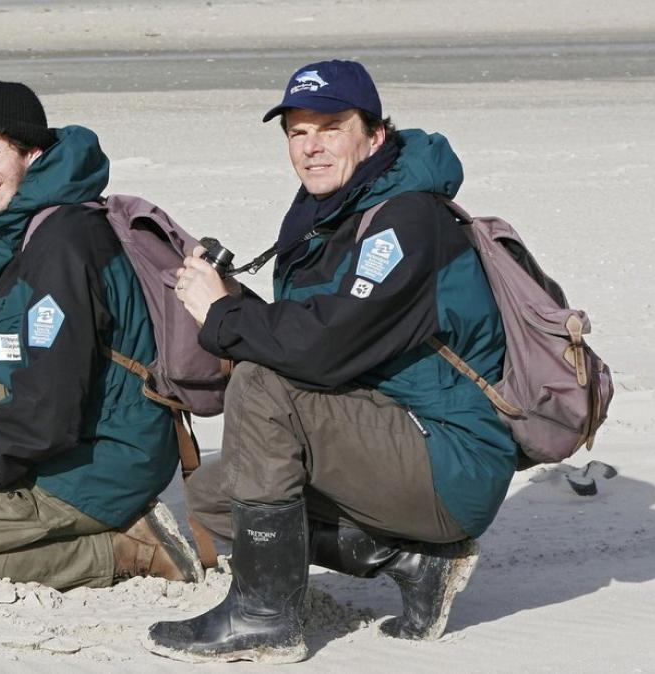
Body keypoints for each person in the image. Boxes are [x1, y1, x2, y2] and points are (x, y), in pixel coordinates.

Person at [146, 60, 518, 662]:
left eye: (330, 127)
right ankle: (416, 562)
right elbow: (330, 330)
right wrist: (236, 303)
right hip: (390, 428)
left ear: (374, 135)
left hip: (452, 456)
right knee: (217, 497)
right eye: (298, 131)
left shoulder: (406, 220)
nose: (311, 147)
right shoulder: (337, 209)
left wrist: (224, 317)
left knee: (264, 384)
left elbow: (326, 348)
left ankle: (264, 617)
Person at [0, 81, 202, 590]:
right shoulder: (33, 225)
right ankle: (17, 486)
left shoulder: (61, 244)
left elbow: (46, 415)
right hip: (81, 430)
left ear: (32, 152)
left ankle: (127, 548)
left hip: (104, 460)